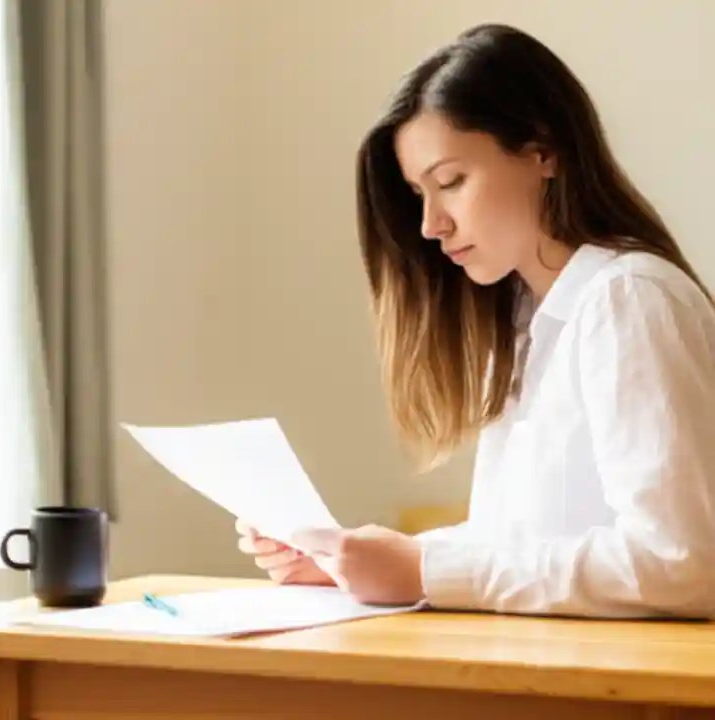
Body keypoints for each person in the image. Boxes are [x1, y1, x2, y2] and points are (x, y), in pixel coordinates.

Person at [236, 23, 715, 617]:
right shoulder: (526, 321)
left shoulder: (630, 299)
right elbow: (529, 546)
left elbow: (684, 563)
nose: (430, 224)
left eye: (451, 182)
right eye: (419, 194)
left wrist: (425, 570)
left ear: (544, 151)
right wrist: (360, 564)